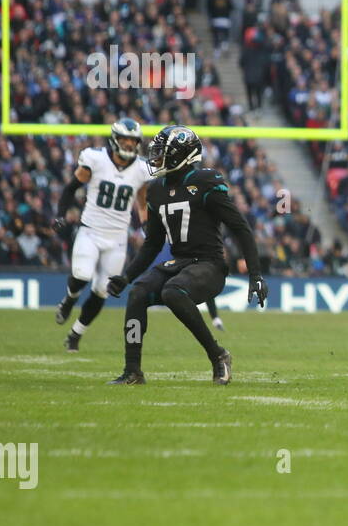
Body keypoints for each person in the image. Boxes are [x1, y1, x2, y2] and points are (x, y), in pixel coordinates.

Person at [105, 126, 267, 384]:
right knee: (137, 293)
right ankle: (132, 370)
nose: (156, 158)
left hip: (209, 265)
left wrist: (255, 274)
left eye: (163, 153)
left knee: (173, 291)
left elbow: (240, 228)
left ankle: (218, 356)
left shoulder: (205, 181)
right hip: (178, 264)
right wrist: (126, 277)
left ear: (182, 154)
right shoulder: (156, 189)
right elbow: (152, 244)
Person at [52, 118, 152, 352]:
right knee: (82, 274)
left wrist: (146, 224)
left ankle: (76, 334)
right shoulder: (95, 159)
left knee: (102, 290)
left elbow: (142, 201)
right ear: (115, 140)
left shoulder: (141, 169)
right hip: (91, 229)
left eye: (133, 141)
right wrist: (60, 215)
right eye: (125, 140)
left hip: (118, 236)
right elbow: (70, 188)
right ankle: (69, 299)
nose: (128, 145)